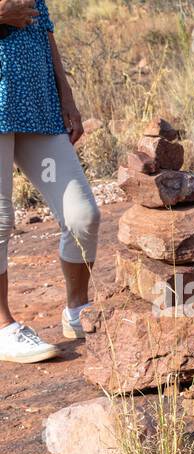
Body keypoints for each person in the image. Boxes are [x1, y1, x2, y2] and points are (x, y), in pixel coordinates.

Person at [0, 0, 100, 363]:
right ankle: (4, 328)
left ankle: (77, 310)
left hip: (36, 105)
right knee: (0, 220)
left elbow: (45, 30)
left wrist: (66, 94)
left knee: (82, 216)